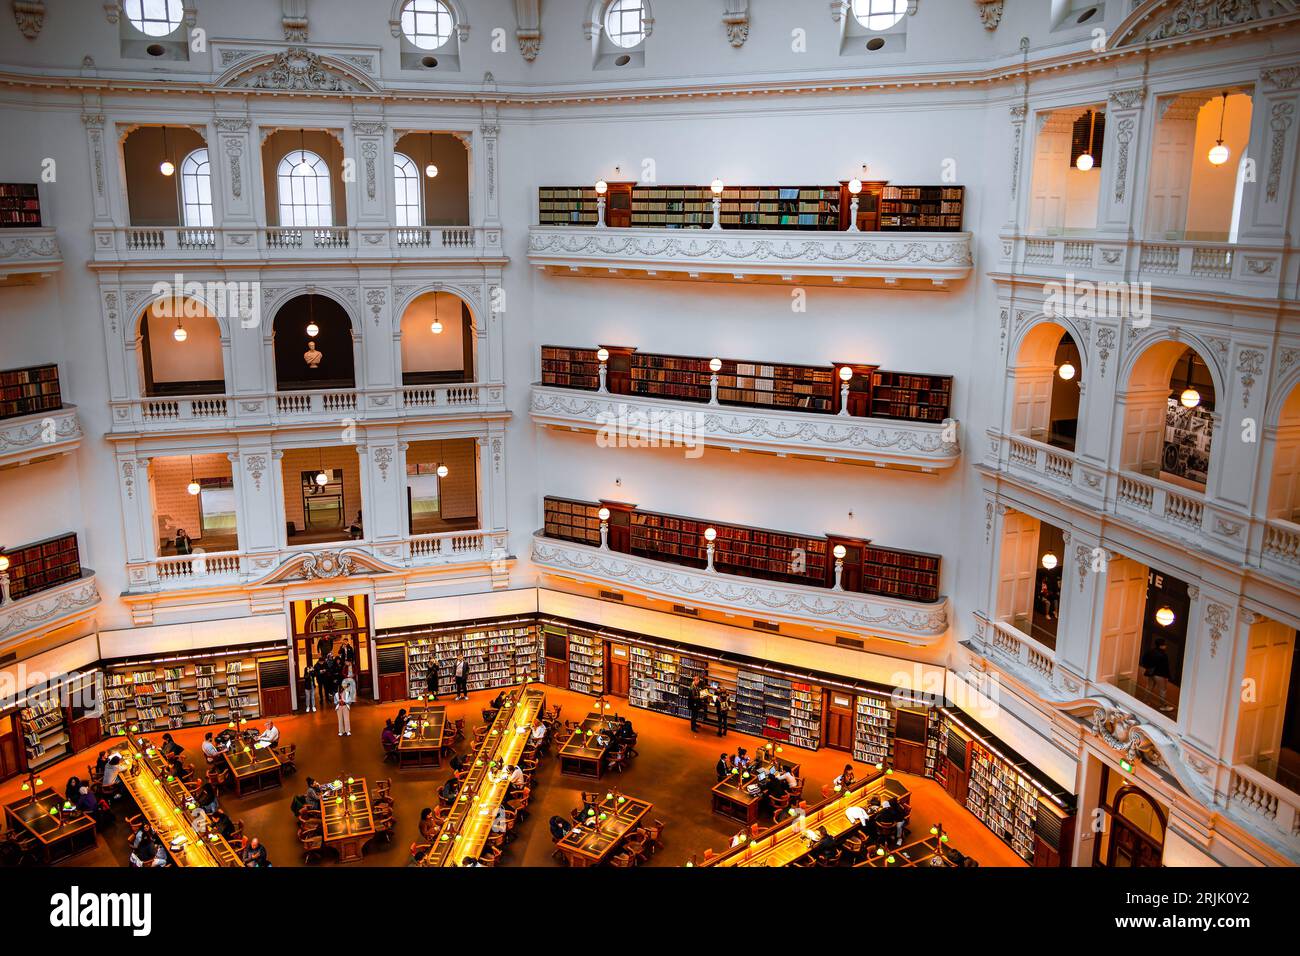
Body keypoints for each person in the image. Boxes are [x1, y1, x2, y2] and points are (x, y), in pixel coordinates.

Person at [1141, 637, 1175, 712]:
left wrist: (1147, 668)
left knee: (1149, 687)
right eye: (1164, 645)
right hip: (1160, 674)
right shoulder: (1163, 655)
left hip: (1151, 673)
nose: (1165, 646)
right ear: (1161, 646)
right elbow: (1166, 667)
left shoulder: (1151, 651)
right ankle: (1163, 706)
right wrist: (1167, 676)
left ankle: (1145, 701)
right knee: (1162, 690)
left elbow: (1144, 659)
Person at [335, 665, 356, 736]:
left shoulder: (347, 692)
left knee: (346, 719)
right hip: (339, 707)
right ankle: (341, 731)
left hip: (345, 706)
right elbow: (335, 701)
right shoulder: (336, 693)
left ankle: (347, 731)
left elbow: (349, 700)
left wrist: (345, 701)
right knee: (340, 719)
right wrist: (338, 702)